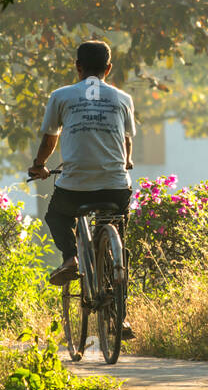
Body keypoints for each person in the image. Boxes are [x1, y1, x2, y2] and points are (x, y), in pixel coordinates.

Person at [28, 40, 136, 337]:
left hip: (75, 188)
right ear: (108, 68)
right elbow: (127, 142)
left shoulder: (61, 96)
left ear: (77, 67)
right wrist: (125, 162)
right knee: (118, 238)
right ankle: (120, 314)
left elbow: (50, 138)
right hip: (115, 187)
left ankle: (71, 257)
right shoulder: (122, 98)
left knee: (56, 216)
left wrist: (39, 165)